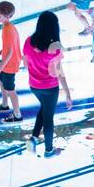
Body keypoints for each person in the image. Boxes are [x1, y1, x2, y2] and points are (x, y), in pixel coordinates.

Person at [23, 11, 73, 157]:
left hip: (34, 86)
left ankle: (32, 139)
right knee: (48, 117)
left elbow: (26, 63)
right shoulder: (55, 48)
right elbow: (60, 73)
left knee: (45, 108)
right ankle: (49, 150)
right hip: (50, 88)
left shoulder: (28, 41)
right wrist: (68, 94)